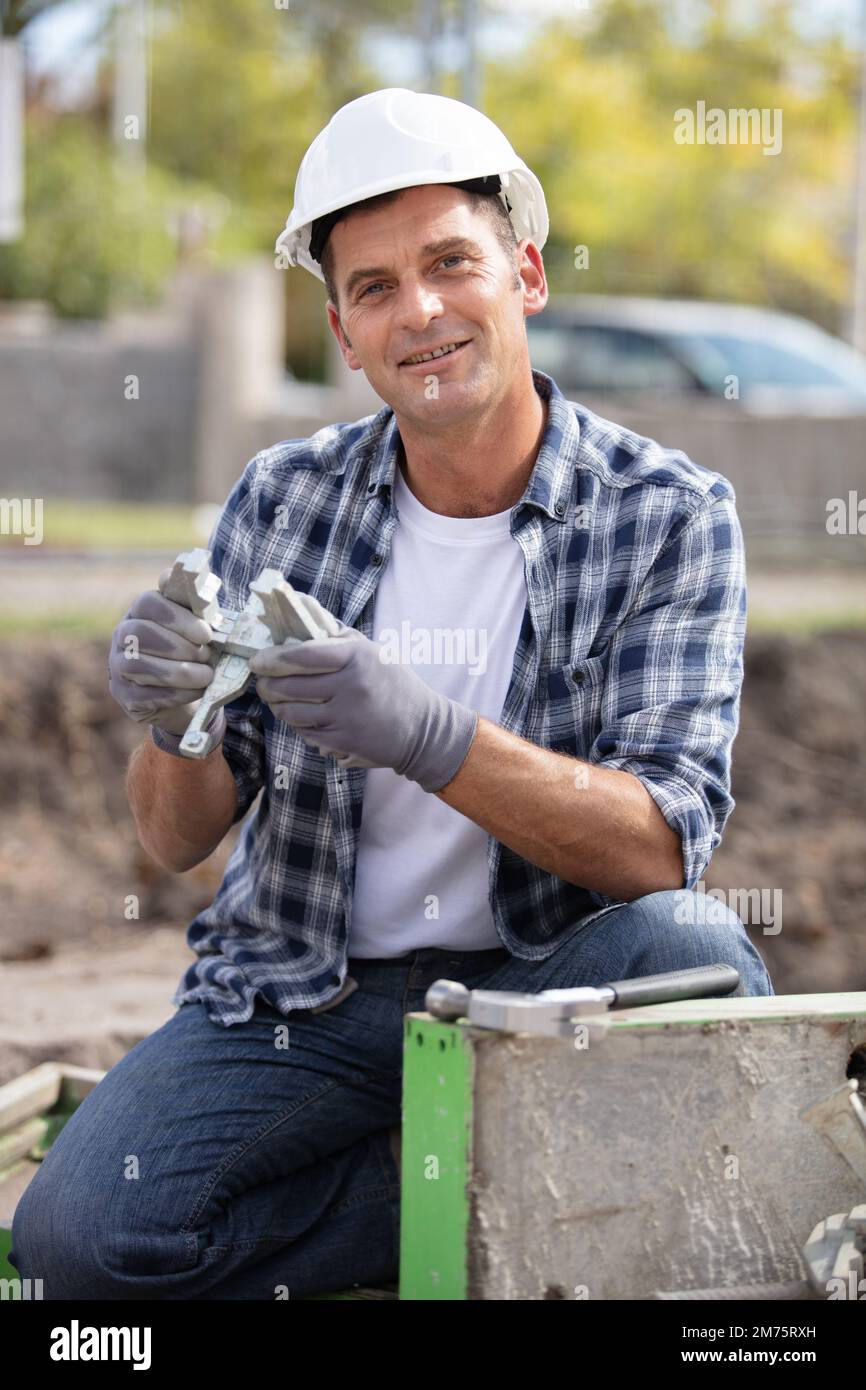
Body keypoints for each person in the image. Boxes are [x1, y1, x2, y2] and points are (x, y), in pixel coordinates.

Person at [10, 87, 773, 1301]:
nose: (417, 312)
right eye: (372, 288)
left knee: (699, 953)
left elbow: (653, 850)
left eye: (448, 264)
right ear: (340, 330)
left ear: (522, 272)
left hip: (535, 997)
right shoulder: (285, 499)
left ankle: (437, 1173)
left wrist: (431, 738)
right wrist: (177, 720)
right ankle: (476, 1181)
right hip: (304, 995)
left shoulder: (666, 515)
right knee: (75, 1248)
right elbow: (170, 840)